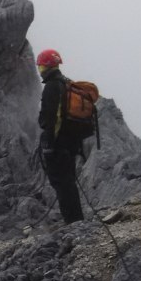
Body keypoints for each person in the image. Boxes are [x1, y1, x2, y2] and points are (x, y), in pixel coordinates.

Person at [36, 48, 84, 224]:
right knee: (68, 181)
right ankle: (76, 219)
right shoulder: (66, 83)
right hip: (71, 142)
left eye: (41, 67)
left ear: (47, 67)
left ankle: (72, 221)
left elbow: (52, 117)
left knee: (62, 183)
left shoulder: (52, 86)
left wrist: (49, 144)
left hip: (59, 143)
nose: (40, 71)